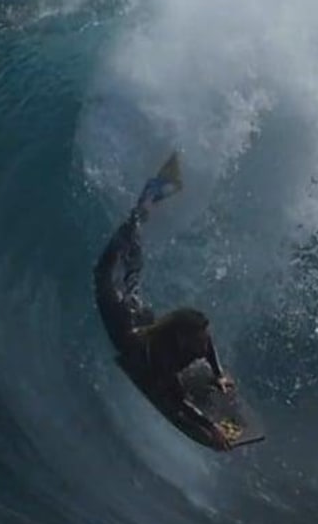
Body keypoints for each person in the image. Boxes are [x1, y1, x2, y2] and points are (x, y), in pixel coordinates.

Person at [94, 191, 235, 449]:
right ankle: (136, 216)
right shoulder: (162, 358)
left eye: (204, 337)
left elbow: (209, 346)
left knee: (133, 273)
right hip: (118, 315)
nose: (204, 344)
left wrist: (219, 375)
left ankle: (142, 211)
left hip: (136, 315)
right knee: (105, 271)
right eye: (200, 339)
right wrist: (211, 427)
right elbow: (179, 402)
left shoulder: (195, 340)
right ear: (183, 337)